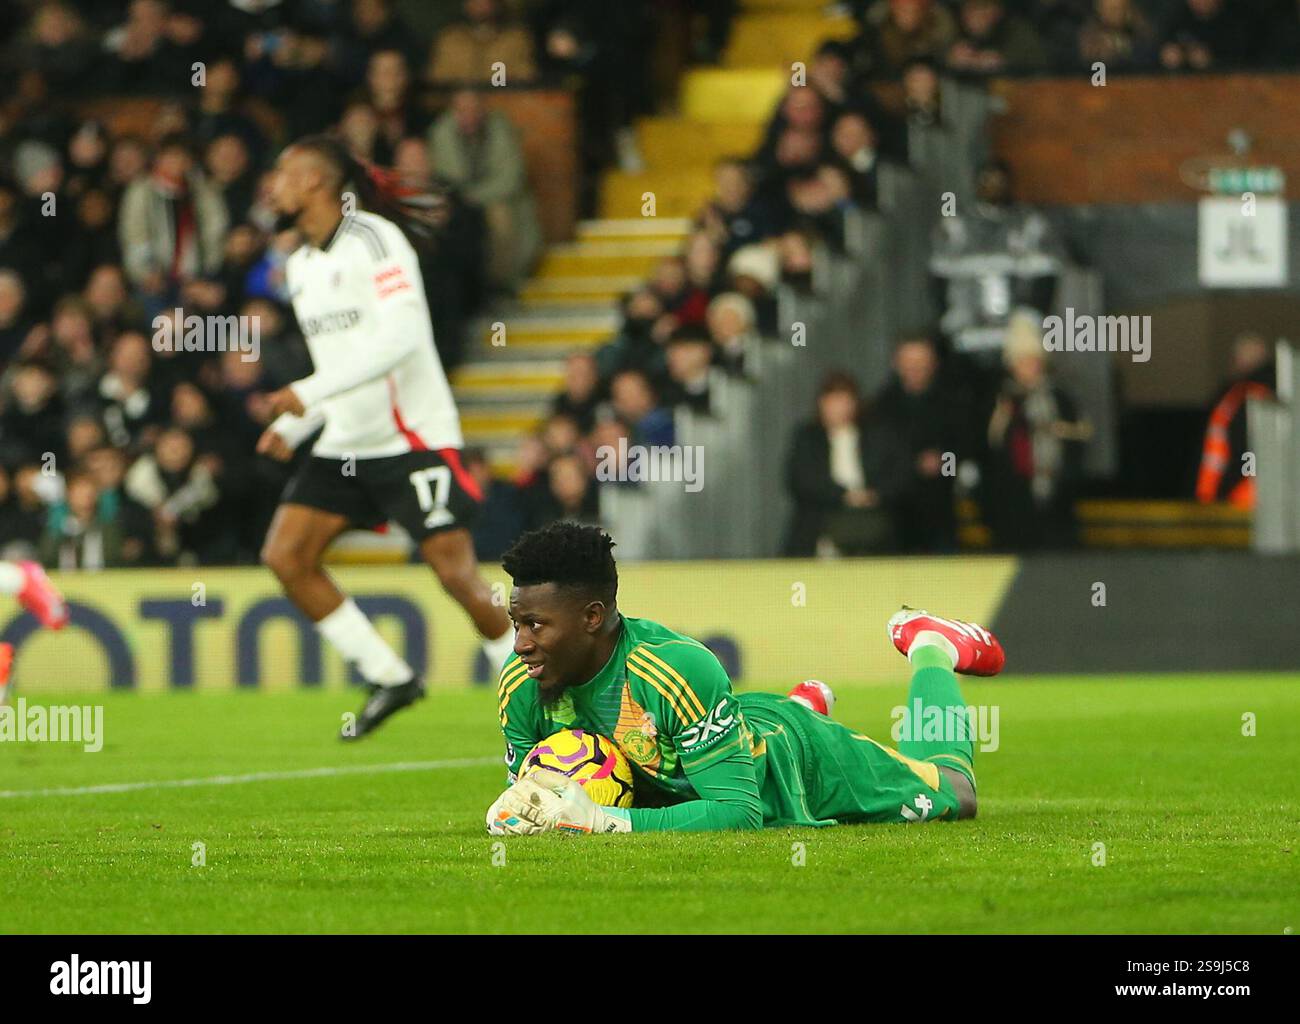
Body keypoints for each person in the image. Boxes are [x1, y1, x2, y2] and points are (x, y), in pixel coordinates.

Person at [486, 523, 1002, 834]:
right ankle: (802, 703)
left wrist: (607, 823)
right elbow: (532, 799)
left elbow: (739, 813)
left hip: (791, 766)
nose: (521, 643)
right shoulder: (522, 683)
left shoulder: (673, 669)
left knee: (958, 795)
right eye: (516, 624)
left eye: (535, 625)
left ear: (592, 617)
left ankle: (931, 645)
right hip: (724, 740)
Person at [256, 134, 514, 740]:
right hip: (346, 440)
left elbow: (400, 339)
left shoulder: (374, 238)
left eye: (284, 174)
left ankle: (527, 692)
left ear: (317, 184)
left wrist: (309, 395)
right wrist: (298, 424)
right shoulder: (300, 266)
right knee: (285, 557)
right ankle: (390, 676)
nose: (274, 186)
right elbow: (343, 359)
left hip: (410, 437)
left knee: (456, 576)